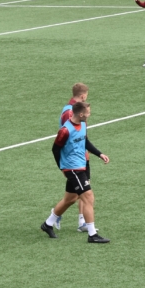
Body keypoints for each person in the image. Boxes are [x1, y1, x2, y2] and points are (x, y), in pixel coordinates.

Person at [40, 101, 110, 244]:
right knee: (88, 197)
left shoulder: (83, 125)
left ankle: (47, 224)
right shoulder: (65, 131)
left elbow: (85, 142)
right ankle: (92, 234)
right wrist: (62, 169)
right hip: (72, 168)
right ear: (81, 114)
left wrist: (99, 154)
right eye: (88, 112)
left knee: (70, 199)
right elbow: (55, 149)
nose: (90, 114)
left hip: (81, 166)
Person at [59, 83, 91, 234]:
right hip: (73, 161)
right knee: (81, 194)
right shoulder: (70, 112)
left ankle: (82, 221)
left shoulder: (77, 110)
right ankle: (54, 217)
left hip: (81, 157)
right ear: (83, 96)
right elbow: (65, 137)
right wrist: (63, 165)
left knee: (75, 196)